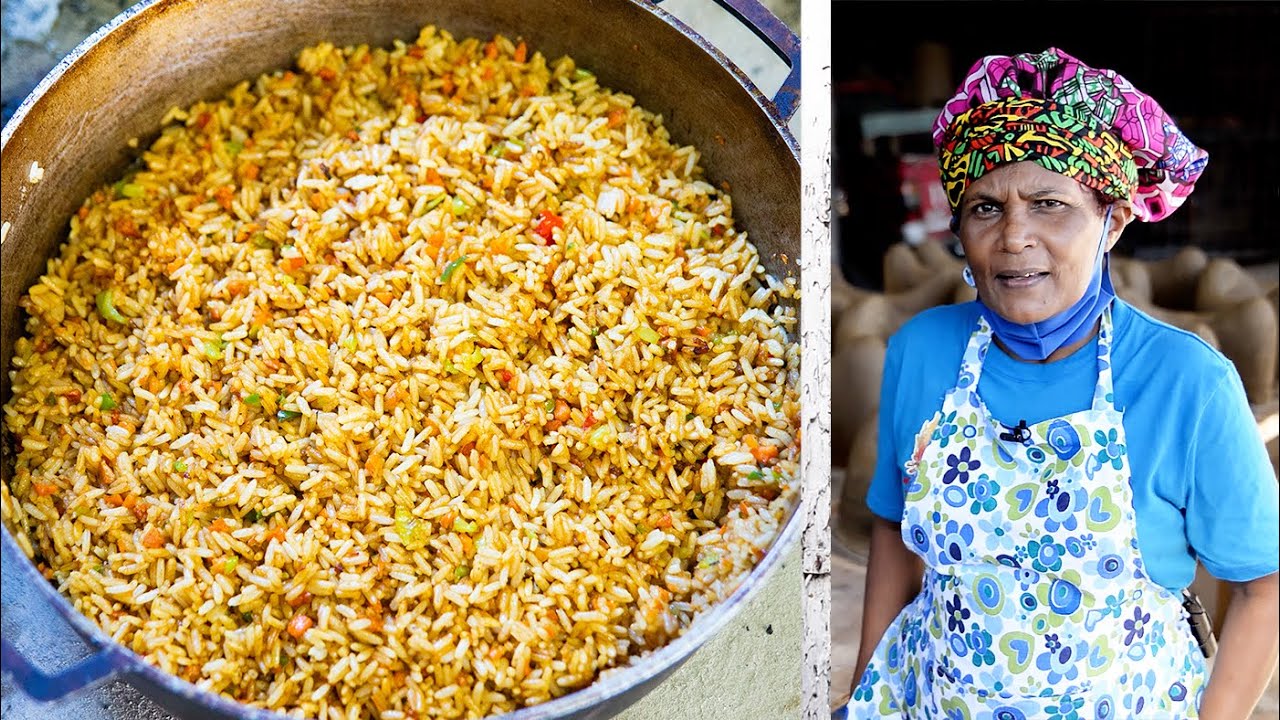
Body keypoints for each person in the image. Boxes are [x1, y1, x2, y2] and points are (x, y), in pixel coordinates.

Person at [839, 48, 1279, 719]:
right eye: (985, 208)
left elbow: (1264, 587)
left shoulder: (1186, 380)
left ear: (1113, 221)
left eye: (1050, 205)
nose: (1014, 237)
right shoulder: (922, 353)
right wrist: (866, 698)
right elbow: (896, 534)